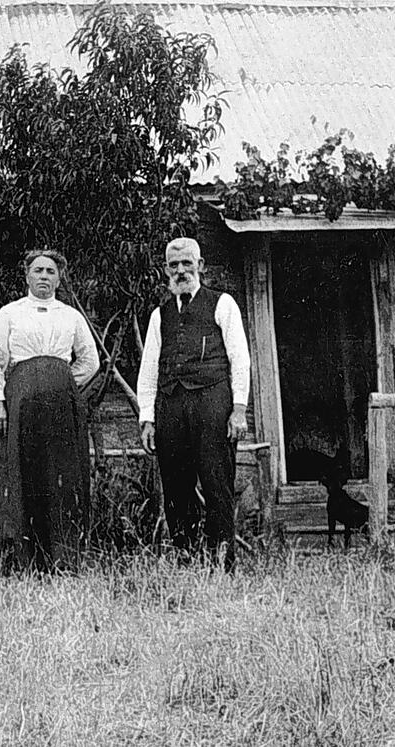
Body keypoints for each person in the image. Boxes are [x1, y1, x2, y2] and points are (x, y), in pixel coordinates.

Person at [0, 249, 100, 571]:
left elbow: (90, 361)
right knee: (23, 473)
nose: (44, 276)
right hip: (21, 400)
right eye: (38, 271)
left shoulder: (71, 316)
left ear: (59, 278)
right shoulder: (10, 313)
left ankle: (64, 558)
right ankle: (23, 558)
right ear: (27, 276)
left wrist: (60, 381)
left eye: (50, 271)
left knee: (62, 475)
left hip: (62, 403)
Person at [137, 237, 251, 570]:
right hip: (171, 406)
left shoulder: (222, 303)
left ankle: (222, 565)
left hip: (212, 403)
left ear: (200, 266)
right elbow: (148, 371)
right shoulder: (160, 316)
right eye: (174, 265)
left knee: (217, 484)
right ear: (166, 270)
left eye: (187, 263)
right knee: (175, 486)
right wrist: (148, 418)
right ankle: (185, 560)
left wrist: (239, 409)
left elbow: (239, 359)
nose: (181, 270)